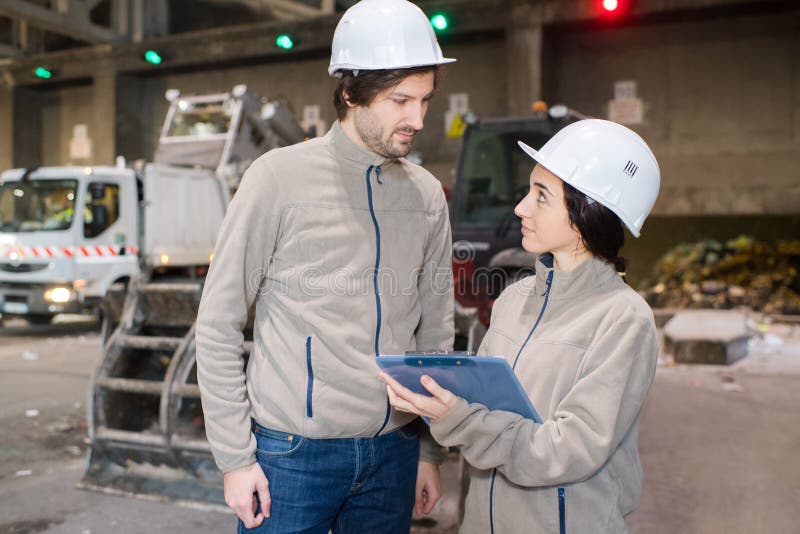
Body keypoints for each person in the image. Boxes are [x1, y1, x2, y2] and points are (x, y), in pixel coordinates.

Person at [194, 0, 456, 532]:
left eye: (425, 100)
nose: (418, 119)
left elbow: (436, 330)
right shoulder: (277, 180)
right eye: (399, 100)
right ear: (349, 91)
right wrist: (236, 459)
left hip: (394, 453)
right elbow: (218, 324)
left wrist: (430, 451)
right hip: (292, 458)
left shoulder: (427, 195)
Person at [382, 119, 661, 533]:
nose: (521, 208)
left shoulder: (623, 319)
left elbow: (567, 451)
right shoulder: (513, 299)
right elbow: (486, 404)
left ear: (588, 212)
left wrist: (460, 419)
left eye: (541, 196)